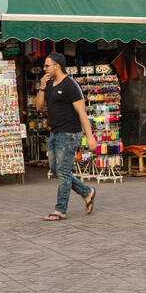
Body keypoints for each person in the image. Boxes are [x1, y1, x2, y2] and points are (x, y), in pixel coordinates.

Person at [33, 51, 98, 221]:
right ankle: (87, 191)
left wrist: (90, 137)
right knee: (55, 169)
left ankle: (60, 209)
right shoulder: (49, 84)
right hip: (54, 132)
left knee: (62, 172)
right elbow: (39, 107)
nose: (44, 68)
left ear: (57, 66)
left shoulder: (71, 85)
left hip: (69, 133)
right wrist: (41, 86)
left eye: (47, 65)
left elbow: (82, 113)